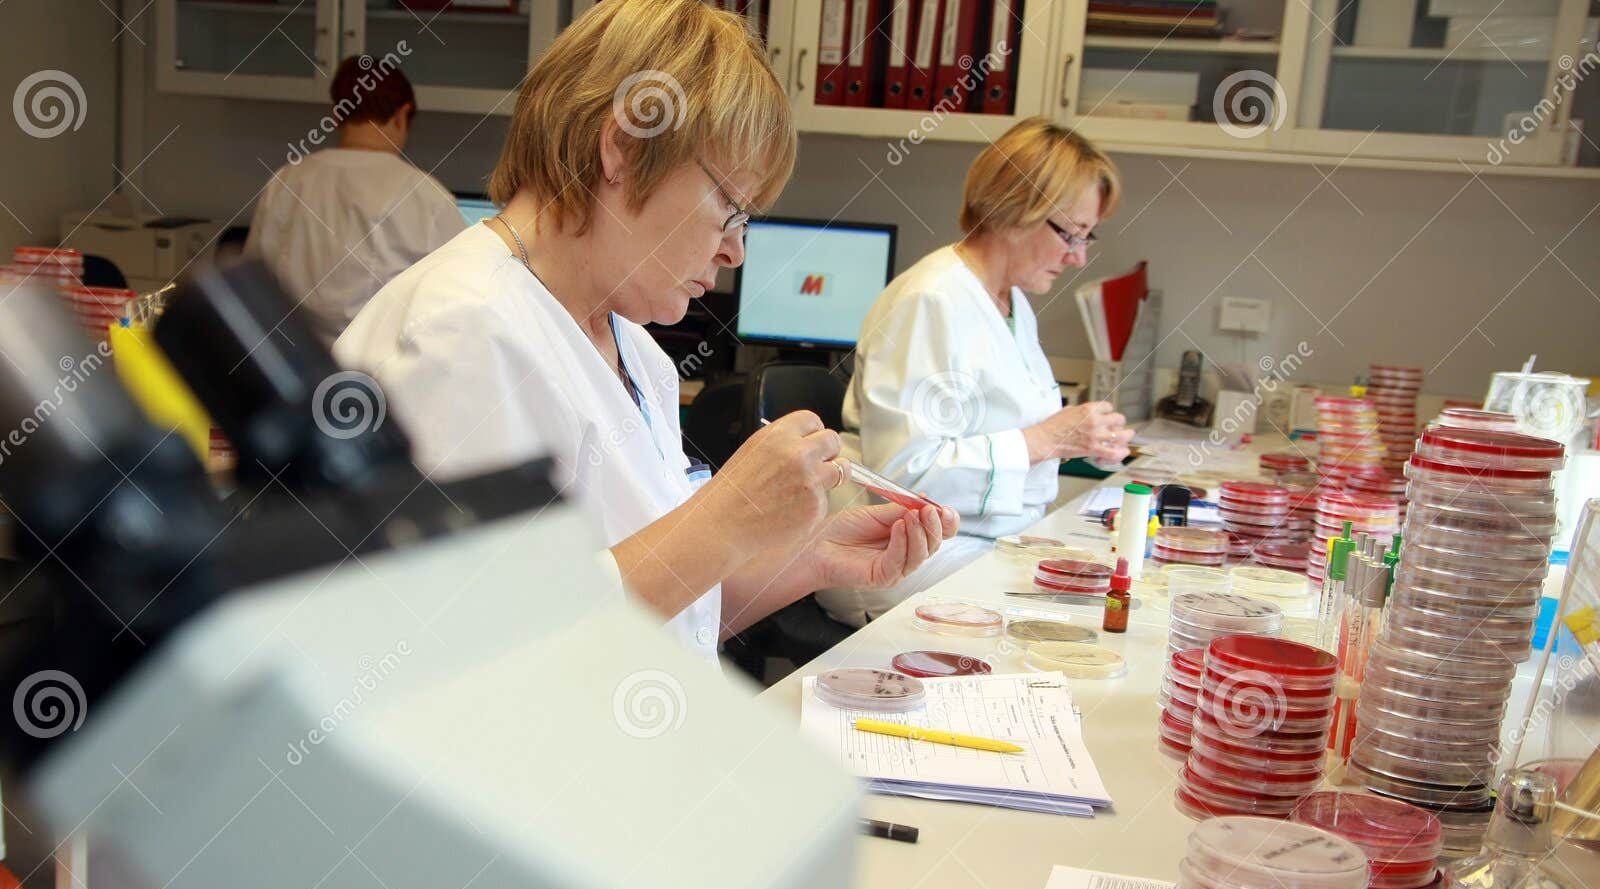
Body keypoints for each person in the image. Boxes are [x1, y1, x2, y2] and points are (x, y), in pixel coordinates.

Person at [334, 0, 957, 661]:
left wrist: (809, 559)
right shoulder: (460, 331)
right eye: (730, 208)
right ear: (625, 147)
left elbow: (663, 611)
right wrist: (726, 517)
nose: (735, 252)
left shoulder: (632, 344)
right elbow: (481, 654)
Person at [817, 118, 1133, 626]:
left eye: (1087, 237)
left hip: (977, 536)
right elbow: (904, 475)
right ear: (1014, 212)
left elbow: (999, 429)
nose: (1078, 258)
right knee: (1064, 625)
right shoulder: (931, 300)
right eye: (1071, 234)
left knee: (1115, 591)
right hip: (903, 553)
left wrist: (1075, 440)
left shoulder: (1010, 304)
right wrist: (1044, 441)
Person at [246, 56, 464, 346]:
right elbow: (462, 296)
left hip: (294, 361)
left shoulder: (286, 181)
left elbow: (252, 283)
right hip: (379, 373)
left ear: (336, 114)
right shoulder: (426, 196)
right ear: (402, 114)